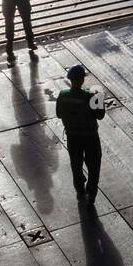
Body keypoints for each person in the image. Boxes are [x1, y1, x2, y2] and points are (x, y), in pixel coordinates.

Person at [54, 65, 106, 204]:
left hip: (73, 136)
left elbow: (59, 114)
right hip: (90, 137)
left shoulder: (63, 95)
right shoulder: (90, 96)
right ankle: (91, 193)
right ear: (82, 80)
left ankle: (79, 188)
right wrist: (100, 98)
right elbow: (100, 115)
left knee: (76, 164)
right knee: (94, 166)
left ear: (70, 80)